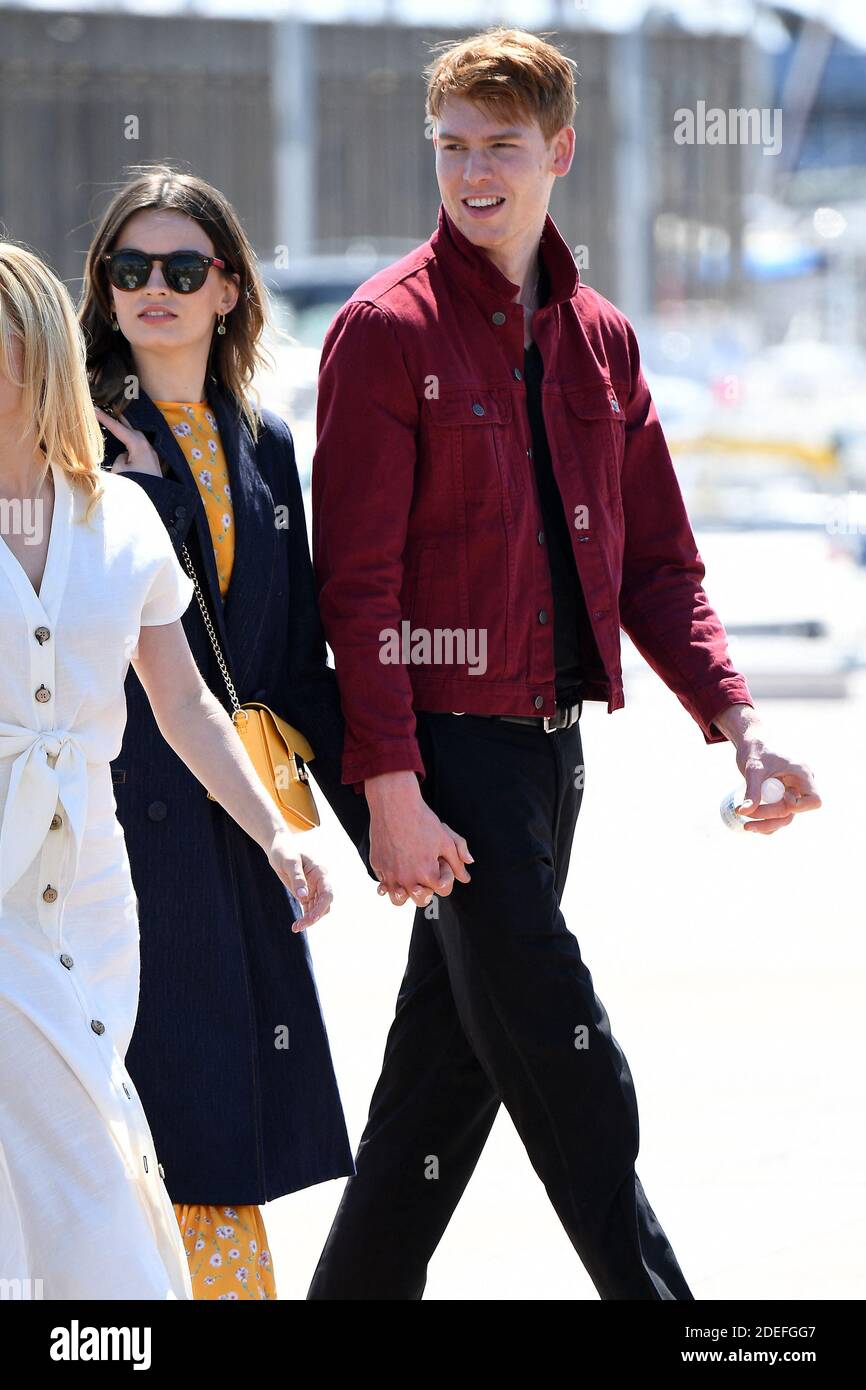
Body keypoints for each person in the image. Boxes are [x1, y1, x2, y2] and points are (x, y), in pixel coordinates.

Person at [307, 27, 822, 1300]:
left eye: (500, 147)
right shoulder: (384, 331)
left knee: (443, 1081)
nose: (473, 172)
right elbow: (355, 587)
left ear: (558, 153)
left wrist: (739, 721)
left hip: (552, 758)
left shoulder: (601, 340)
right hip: (443, 755)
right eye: (451, 147)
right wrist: (388, 784)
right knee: (568, 1055)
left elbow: (658, 563)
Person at [0, 241, 332, 1300]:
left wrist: (274, 833)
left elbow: (185, 703)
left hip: (95, 892)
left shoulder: (123, 516)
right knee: (87, 1158)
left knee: (52, 1153)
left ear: (34, 353)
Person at [77, 165, 371, 1300]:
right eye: (129, 268)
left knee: (214, 1116)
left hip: (231, 829)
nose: (155, 287)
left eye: (182, 268)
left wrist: (376, 814)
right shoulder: (67, 439)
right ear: (102, 292)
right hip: (111, 822)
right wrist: (140, 490)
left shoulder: (266, 442)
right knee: (125, 1117)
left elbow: (291, 662)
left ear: (230, 291)